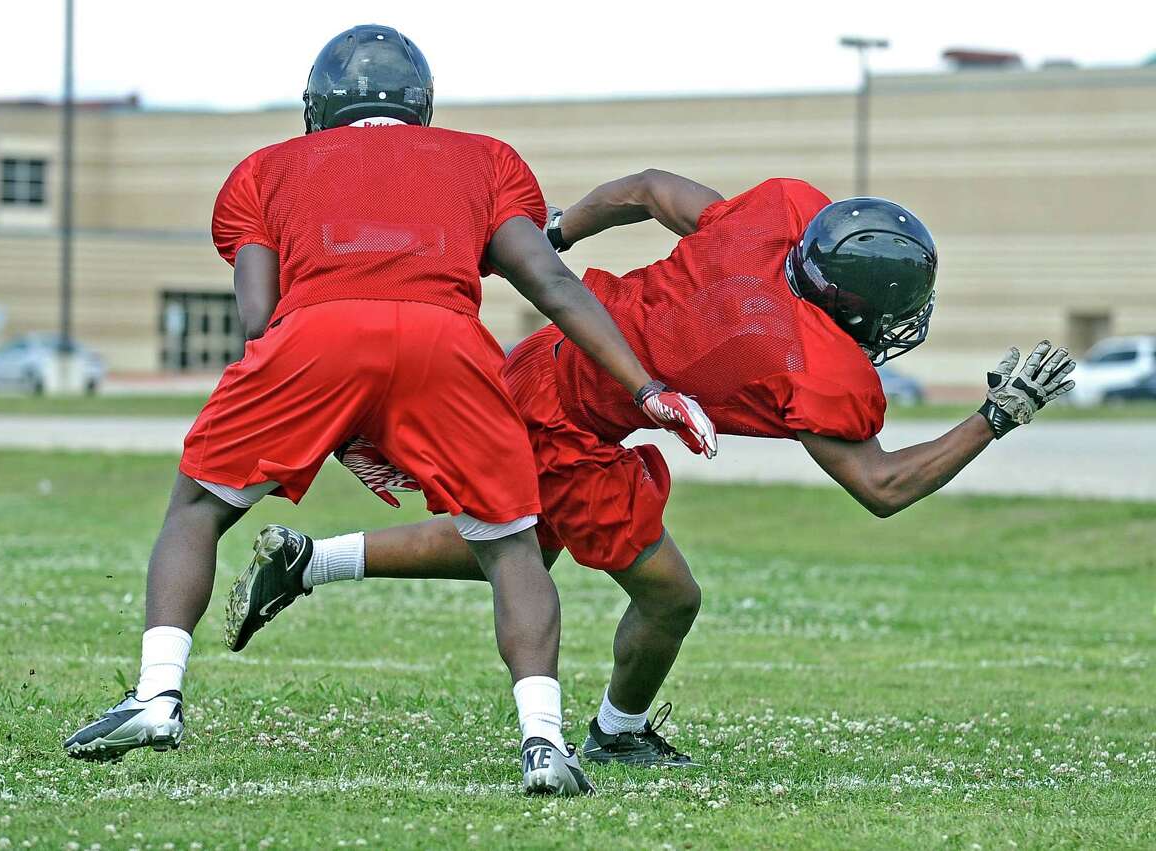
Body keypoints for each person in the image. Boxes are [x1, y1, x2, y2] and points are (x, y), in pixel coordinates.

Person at [221, 169, 1076, 767]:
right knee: (668, 594)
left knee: (511, 541)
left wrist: (556, 234)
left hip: (555, 351)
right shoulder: (808, 361)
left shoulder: (773, 216)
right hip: (572, 424)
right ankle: (617, 731)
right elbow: (881, 487)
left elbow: (645, 188)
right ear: (850, 303)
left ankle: (307, 561)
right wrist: (995, 417)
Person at [61, 29, 716, 798]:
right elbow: (554, 284)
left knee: (198, 507)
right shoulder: (484, 159)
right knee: (511, 547)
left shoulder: (264, 169)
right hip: (447, 340)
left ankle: (157, 695)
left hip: (312, 338)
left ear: (318, 108)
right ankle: (543, 741)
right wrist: (646, 388)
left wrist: (332, 422)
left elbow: (260, 317)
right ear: (423, 105)